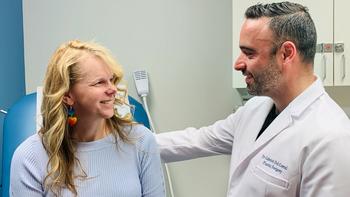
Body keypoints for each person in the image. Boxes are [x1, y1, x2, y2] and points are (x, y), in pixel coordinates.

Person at [156, 2, 350, 197]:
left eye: (249, 53)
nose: (238, 64)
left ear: (286, 53)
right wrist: (128, 141)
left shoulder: (331, 137)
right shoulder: (255, 108)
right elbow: (197, 140)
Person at [10, 40, 165, 197]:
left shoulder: (141, 140)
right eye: (99, 83)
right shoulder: (29, 157)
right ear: (67, 96)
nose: (112, 89)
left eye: (111, 80)